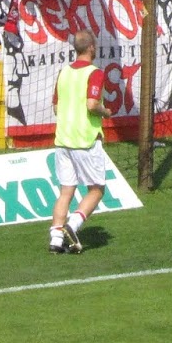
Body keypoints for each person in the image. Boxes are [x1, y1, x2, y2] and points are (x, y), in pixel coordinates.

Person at [49, 28, 113, 254]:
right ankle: (72, 225)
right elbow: (92, 105)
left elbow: (56, 107)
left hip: (63, 139)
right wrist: (106, 112)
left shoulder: (64, 72)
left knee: (66, 191)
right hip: (85, 139)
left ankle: (56, 239)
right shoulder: (94, 73)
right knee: (97, 189)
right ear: (92, 48)